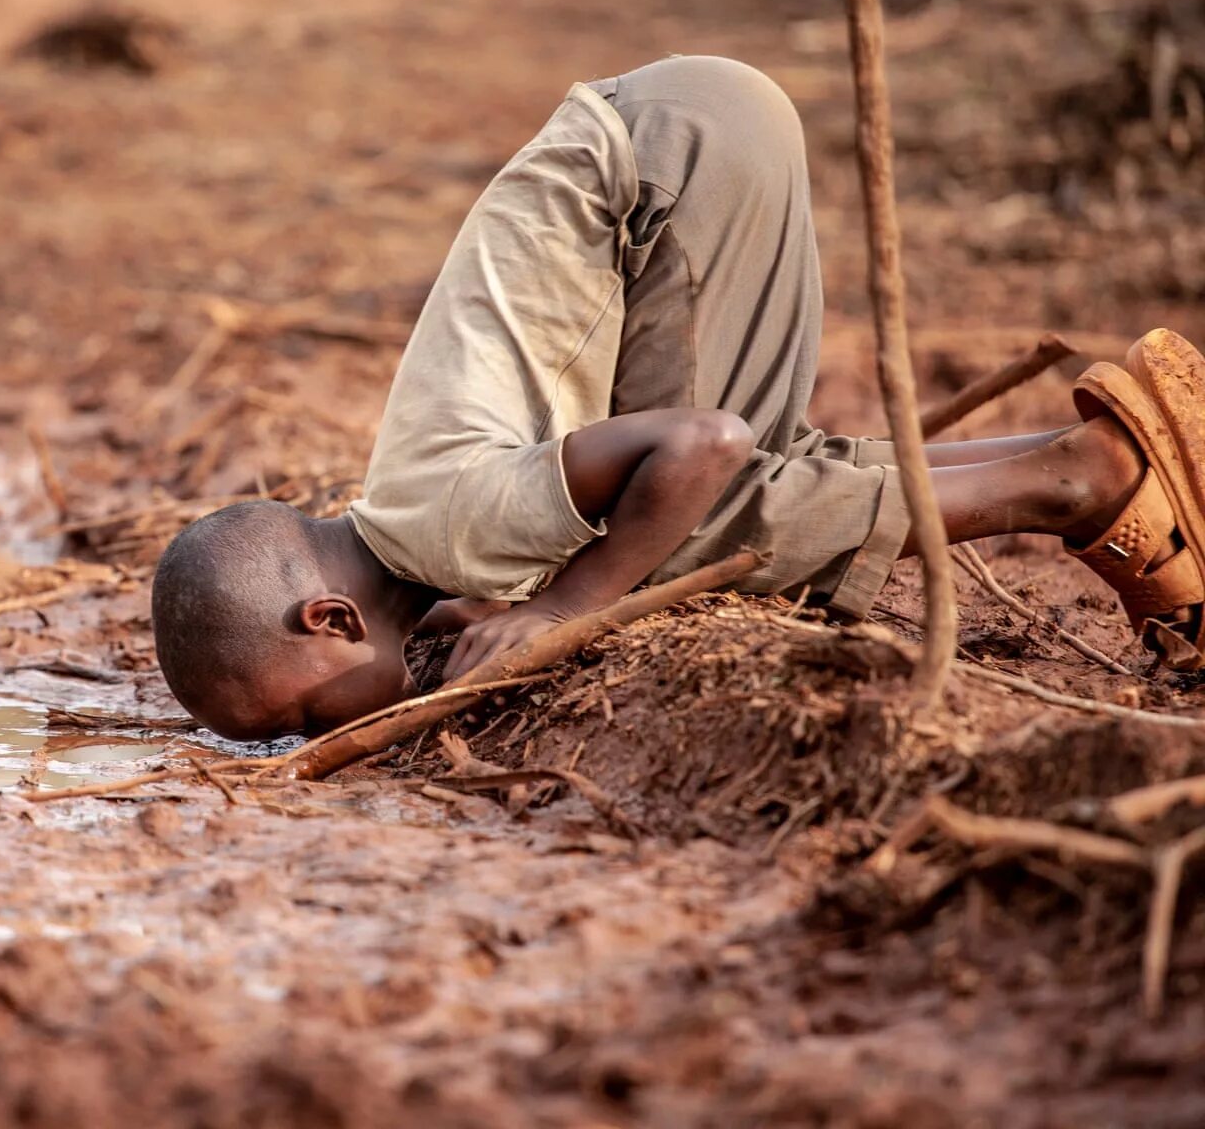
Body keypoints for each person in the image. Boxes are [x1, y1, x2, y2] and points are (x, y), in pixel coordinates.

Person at [149, 55, 1205, 740]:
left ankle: (1086, 481)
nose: (308, 738)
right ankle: (1113, 451)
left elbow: (703, 442)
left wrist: (565, 606)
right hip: (680, 131)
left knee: (699, 525)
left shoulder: (451, 526)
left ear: (329, 618)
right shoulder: (419, 520)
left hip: (668, 171)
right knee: (719, 502)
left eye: (290, 719)